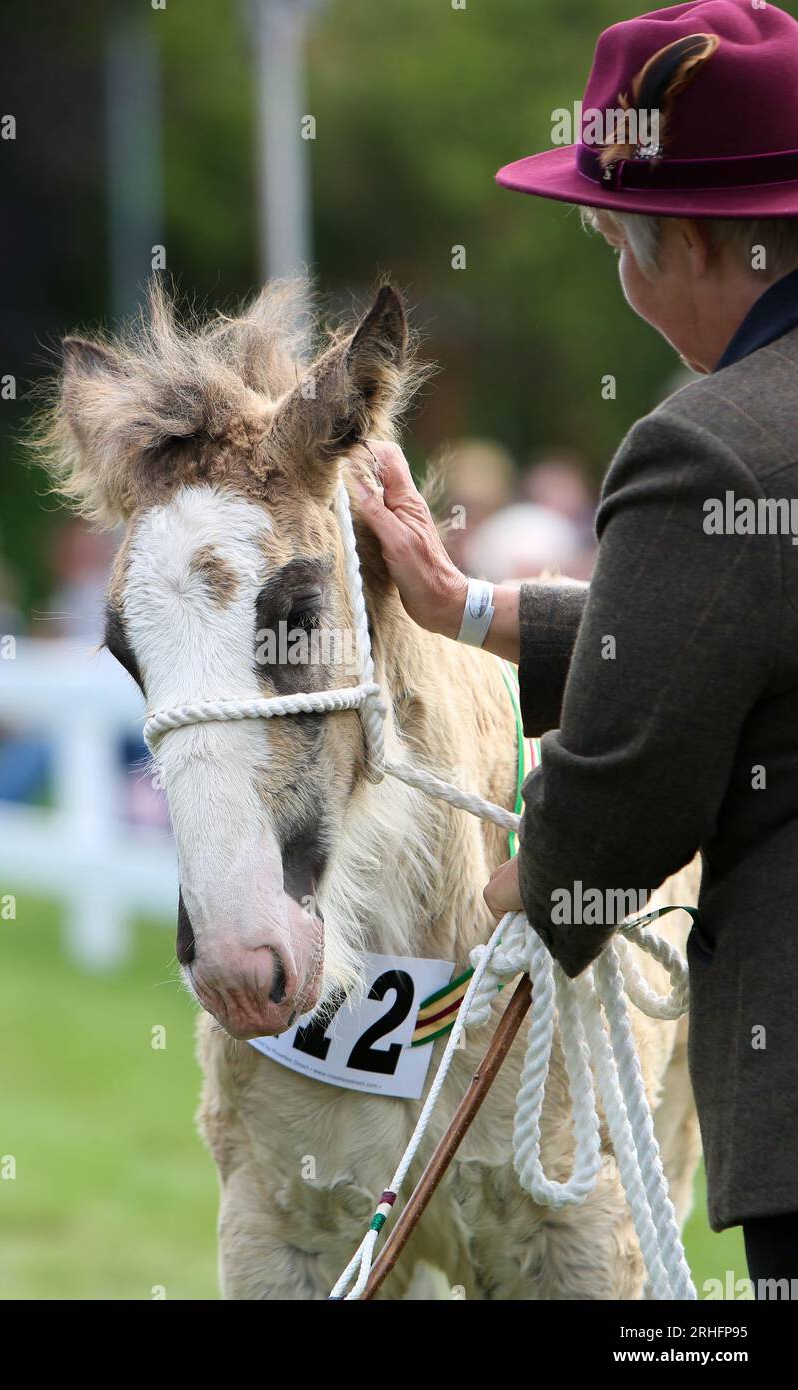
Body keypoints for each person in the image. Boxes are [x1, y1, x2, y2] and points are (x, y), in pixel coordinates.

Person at [353, 0, 798, 1290]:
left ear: (695, 246)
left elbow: (627, 784)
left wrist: (535, 879)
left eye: (612, 237)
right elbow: (738, 632)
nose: (617, 270)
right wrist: (473, 608)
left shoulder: (709, 444)